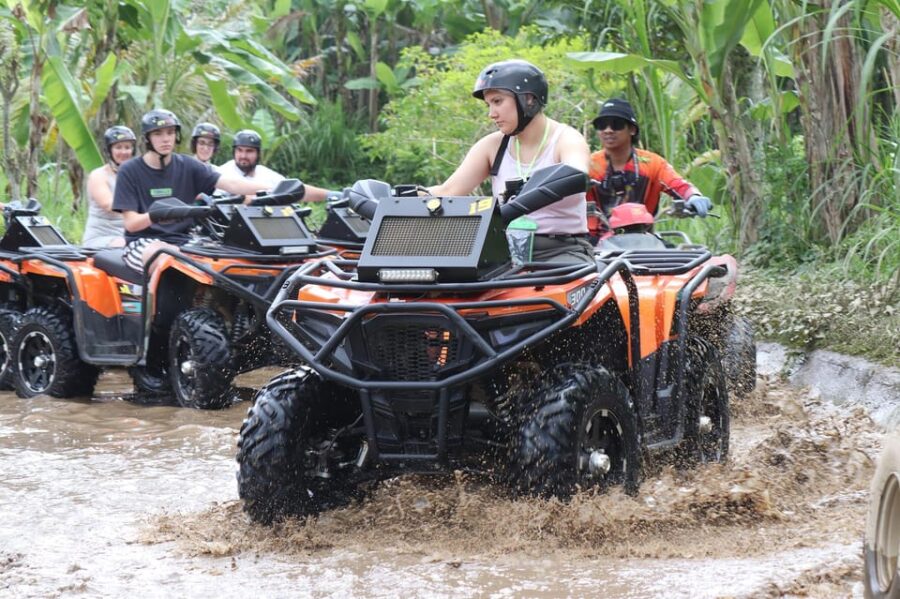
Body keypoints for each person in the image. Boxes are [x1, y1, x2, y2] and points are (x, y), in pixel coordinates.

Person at [428, 59, 593, 262]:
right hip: (506, 250)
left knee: (545, 293)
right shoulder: (492, 145)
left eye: (497, 102)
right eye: (489, 105)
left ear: (529, 99)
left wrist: (508, 210)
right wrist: (401, 197)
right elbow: (448, 191)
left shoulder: (566, 138)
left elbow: (577, 172)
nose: (491, 114)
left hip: (562, 249)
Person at [113, 109, 280, 275]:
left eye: (170, 132)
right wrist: (157, 214)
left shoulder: (188, 165)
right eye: (158, 133)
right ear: (147, 138)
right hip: (143, 242)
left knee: (227, 264)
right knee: (166, 260)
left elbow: (232, 184)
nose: (165, 139)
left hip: (185, 240)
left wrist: (276, 189)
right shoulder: (129, 170)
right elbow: (131, 224)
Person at [588, 98, 712, 219]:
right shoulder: (587, 164)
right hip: (596, 237)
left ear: (632, 129)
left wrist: (693, 196)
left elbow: (677, 184)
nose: (608, 130)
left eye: (617, 125)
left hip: (643, 235)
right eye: (602, 125)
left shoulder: (653, 163)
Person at [83, 125, 137, 248]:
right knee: (131, 245)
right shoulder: (98, 175)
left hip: (130, 236)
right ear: (109, 150)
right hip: (102, 238)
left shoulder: (137, 175)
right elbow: (108, 204)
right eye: (118, 147)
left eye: (127, 147)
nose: (123, 152)